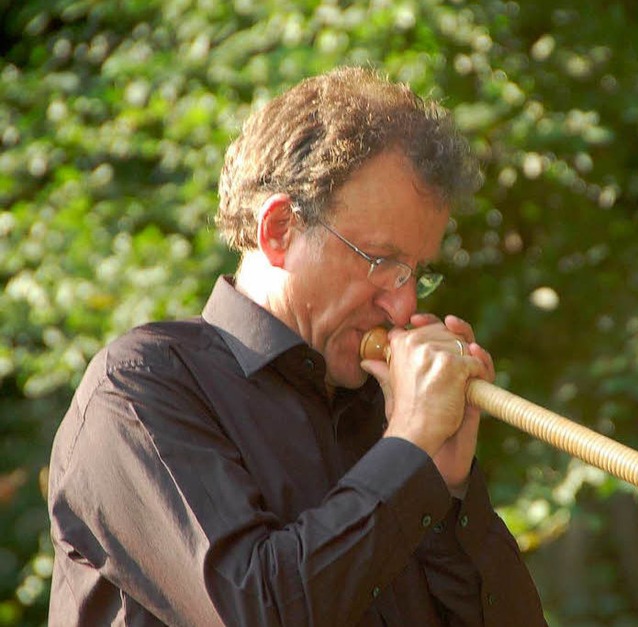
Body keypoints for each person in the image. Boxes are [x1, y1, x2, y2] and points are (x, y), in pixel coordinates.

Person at [47, 66, 545, 626]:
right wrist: (409, 444)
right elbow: (261, 612)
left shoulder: (382, 413)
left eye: (414, 273)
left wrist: (450, 490)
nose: (402, 308)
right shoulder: (140, 386)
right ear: (279, 230)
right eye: (381, 264)